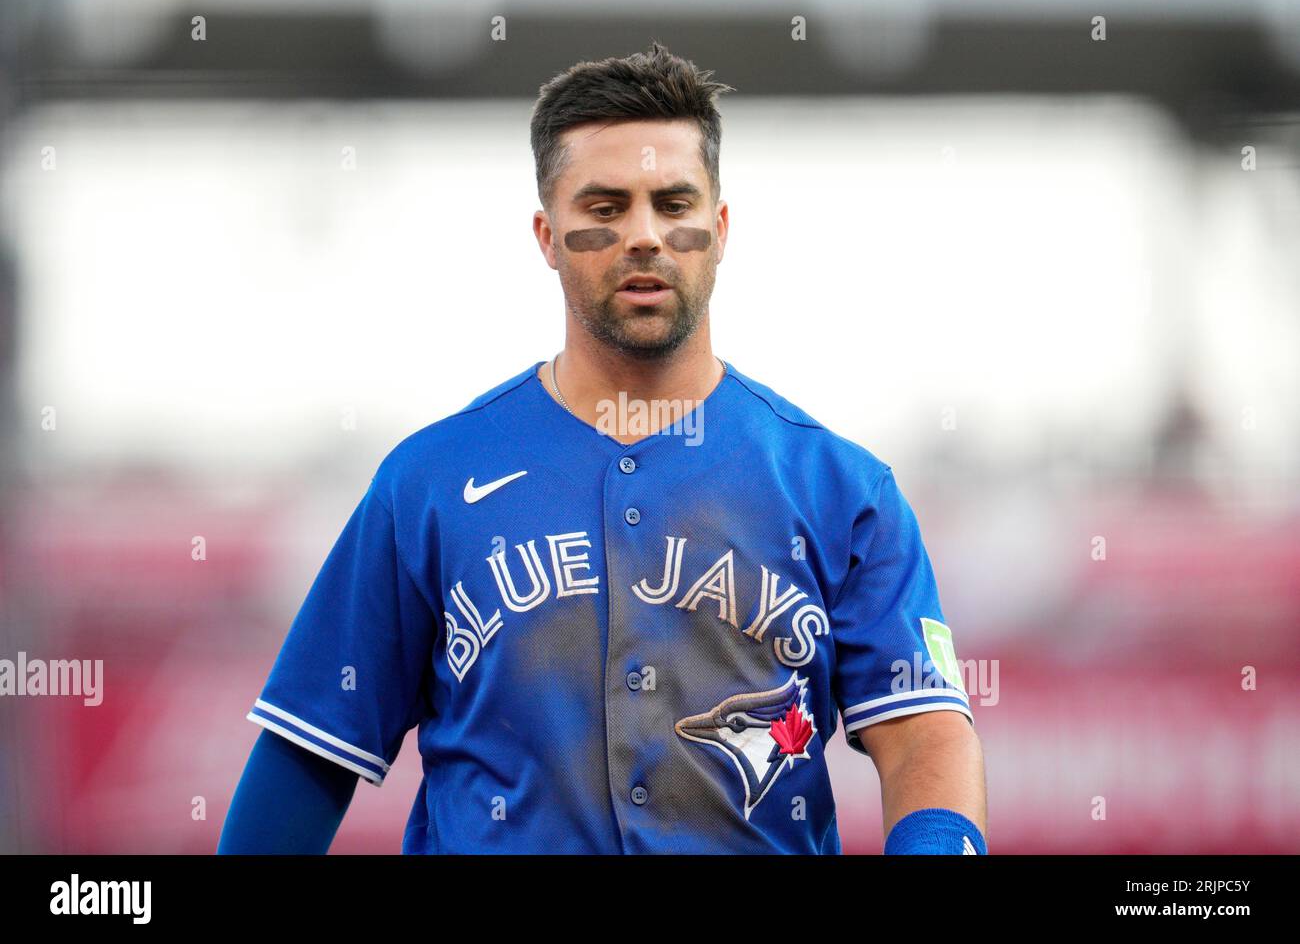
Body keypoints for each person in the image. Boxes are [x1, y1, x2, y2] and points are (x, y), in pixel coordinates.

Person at [218, 41, 987, 855]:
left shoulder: (840, 489)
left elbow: (926, 736)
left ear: (719, 229)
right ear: (548, 236)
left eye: (674, 202)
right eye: (606, 207)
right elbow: (309, 749)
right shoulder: (431, 483)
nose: (645, 235)